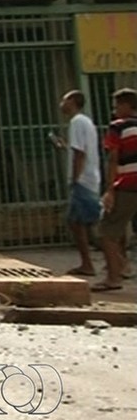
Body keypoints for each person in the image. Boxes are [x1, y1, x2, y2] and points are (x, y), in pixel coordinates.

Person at [53, 90, 101, 276]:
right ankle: (97, 262)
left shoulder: (76, 122)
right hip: (89, 177)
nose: (61, 103)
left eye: (64, 99)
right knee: (81, 221)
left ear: (72, 101)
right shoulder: (85, 122)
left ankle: (94, 263)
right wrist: (65, 147)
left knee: (82, 222)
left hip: (82, 180)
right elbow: (79, 152)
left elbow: (80, 154)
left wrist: (74, 179)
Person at [96, 87, 137, 292]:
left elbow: (113, 158)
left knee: (107, 231)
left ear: (125, 105)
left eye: (116, 106)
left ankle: (114, 278)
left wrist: (110, 189)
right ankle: (122, 266)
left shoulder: (118, 127)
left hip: (126, 185)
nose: (114, 110)